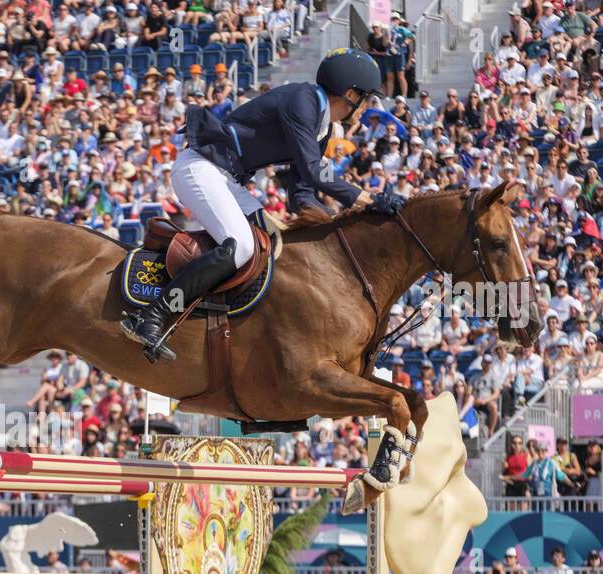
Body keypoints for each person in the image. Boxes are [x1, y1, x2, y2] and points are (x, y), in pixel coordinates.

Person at [120, 48, 401, 361]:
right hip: (200, 168)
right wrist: (369, 199)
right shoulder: (303, 101)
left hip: (227, 179)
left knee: (276, 242)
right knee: (240, 246)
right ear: (350, 94)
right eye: (368, 99)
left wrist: (335, 229)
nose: (368, 108)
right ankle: (152, 315)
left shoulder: (320, 129)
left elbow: (301, 194)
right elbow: (312, 170)